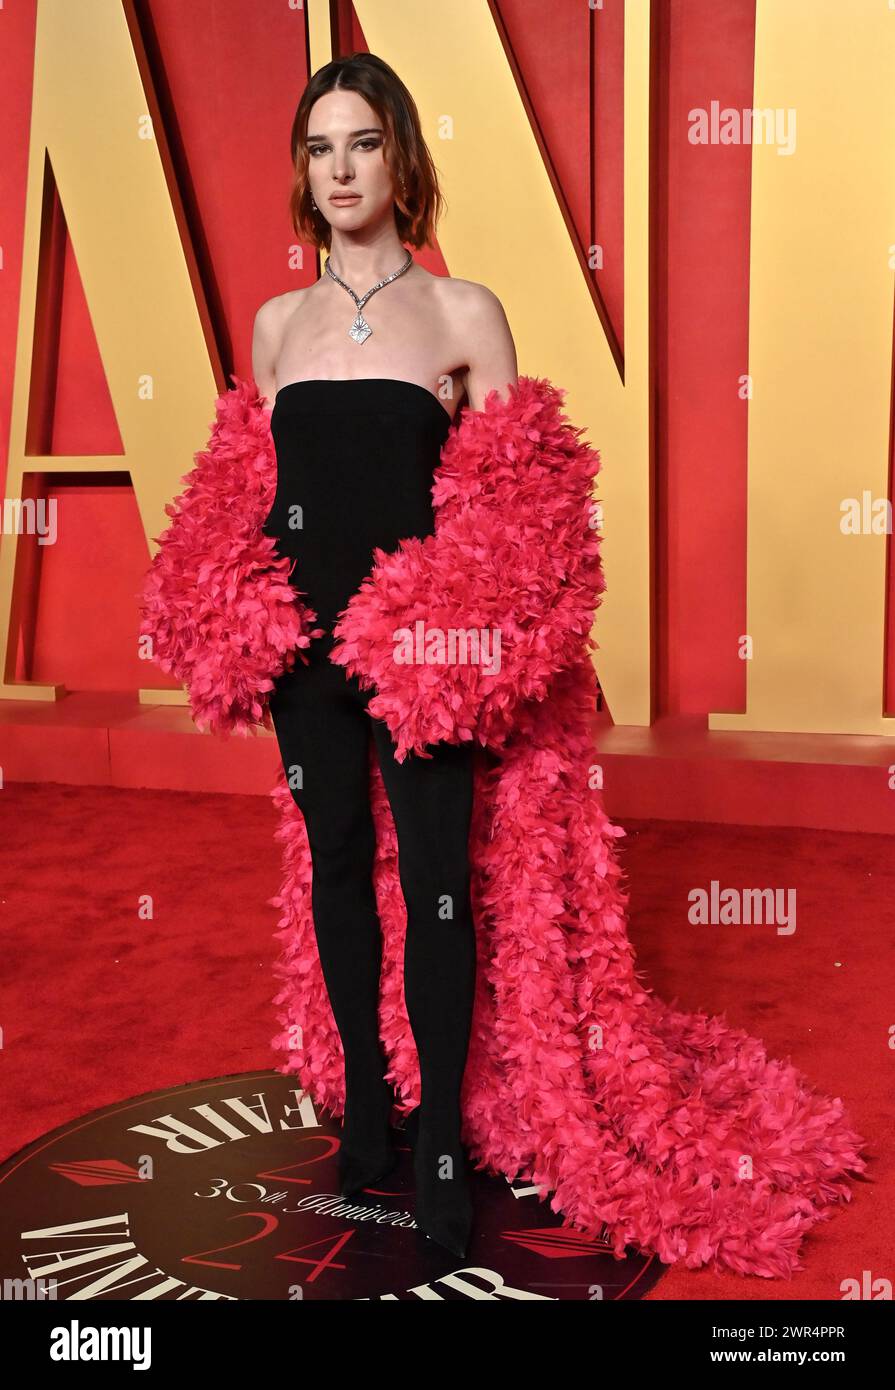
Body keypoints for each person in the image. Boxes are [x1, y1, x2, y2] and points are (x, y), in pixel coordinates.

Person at [250, 52, 516, 1259]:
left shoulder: (464, 314)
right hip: (305, 649)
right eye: (320, 147)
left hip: (427, 650)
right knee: (337, 867)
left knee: (437, 881)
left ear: (401, 158)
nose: (340, 168)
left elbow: (518, 511)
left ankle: (444, 1141)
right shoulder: (276, 326)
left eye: (361, 143)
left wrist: (470, 637)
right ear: (304, 174)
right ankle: (367, 1095)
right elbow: (260, 496)